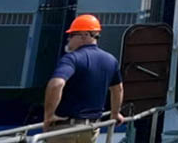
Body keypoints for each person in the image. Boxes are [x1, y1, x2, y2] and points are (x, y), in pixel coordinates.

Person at [43, 14, 124, 142]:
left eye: (71, 35)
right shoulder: (111, 60)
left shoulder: (72, 58)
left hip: (66, 129)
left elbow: (56, 84)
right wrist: (115, 113)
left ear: (84, 35)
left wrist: (48, 116)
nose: (68, 39)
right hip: (92, 129)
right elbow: (117, 89)